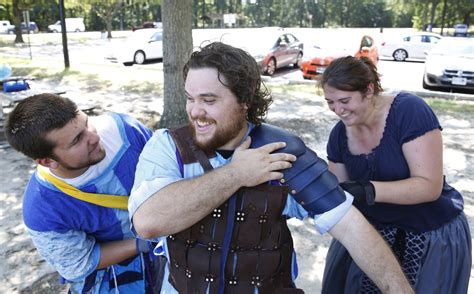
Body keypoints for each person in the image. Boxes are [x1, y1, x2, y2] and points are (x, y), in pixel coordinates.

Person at [128, 42, 413, 293]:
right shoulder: (167, 146)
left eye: (209, 100)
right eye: (191, 98)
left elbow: (351, 227)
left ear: (245, 100)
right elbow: (148, 222)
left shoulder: (282, 151)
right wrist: (236, 174)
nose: (195, 111)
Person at [319, 56, 471, 293]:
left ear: (369, 90)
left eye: (344, 100)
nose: (338, 110)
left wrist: (369, 190)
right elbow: (339, 194)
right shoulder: (338, 136)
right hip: (375, 237)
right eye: (330, 102)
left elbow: (429, 186)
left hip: (428, 234)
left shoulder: (409, 111)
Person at [5, 93, 159, 293]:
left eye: (87, 123)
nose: (94, 138)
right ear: (47, 161)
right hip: (117, 275)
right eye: (77, 140)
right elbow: (80, 262)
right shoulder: (42, 208)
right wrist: (142, 245)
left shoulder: (125, 131)